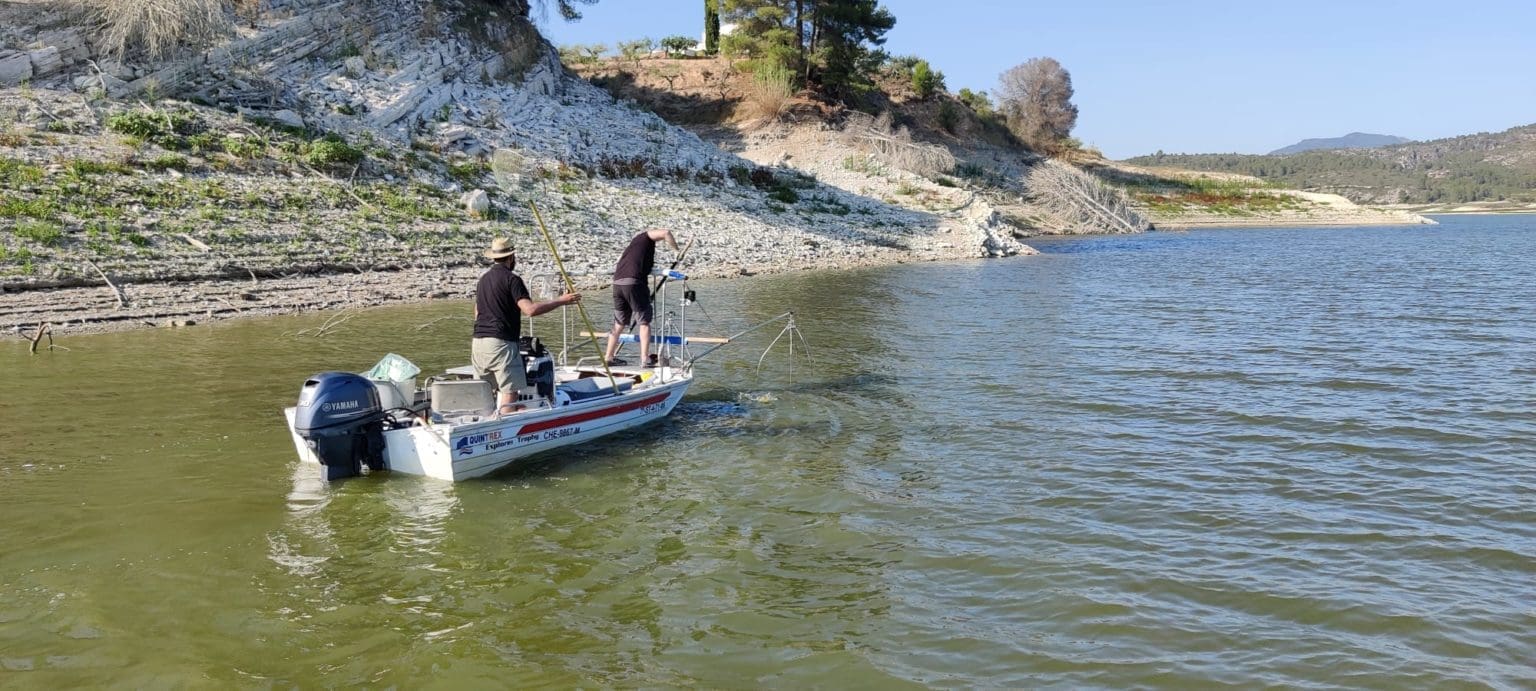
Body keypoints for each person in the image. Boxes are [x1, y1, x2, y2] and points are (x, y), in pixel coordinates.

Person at [472, 237, 579, 415]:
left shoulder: (483, 280)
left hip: (478, 342)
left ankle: (484, 422)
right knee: (509, 389)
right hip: (501, 343)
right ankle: (505, 428)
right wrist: (561, 301)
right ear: (511, 257)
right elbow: (530, 310)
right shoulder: (512, 280)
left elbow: (477, 312)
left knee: (486, 388)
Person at [603, 228, 680, 367]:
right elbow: (665, 232)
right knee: (643, 321)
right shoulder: (645, 237)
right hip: (634, 283)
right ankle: (645, 359)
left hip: (618, 282)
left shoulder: (632, 248)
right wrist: (676, 249)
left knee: (619, 323)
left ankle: (608, 357)